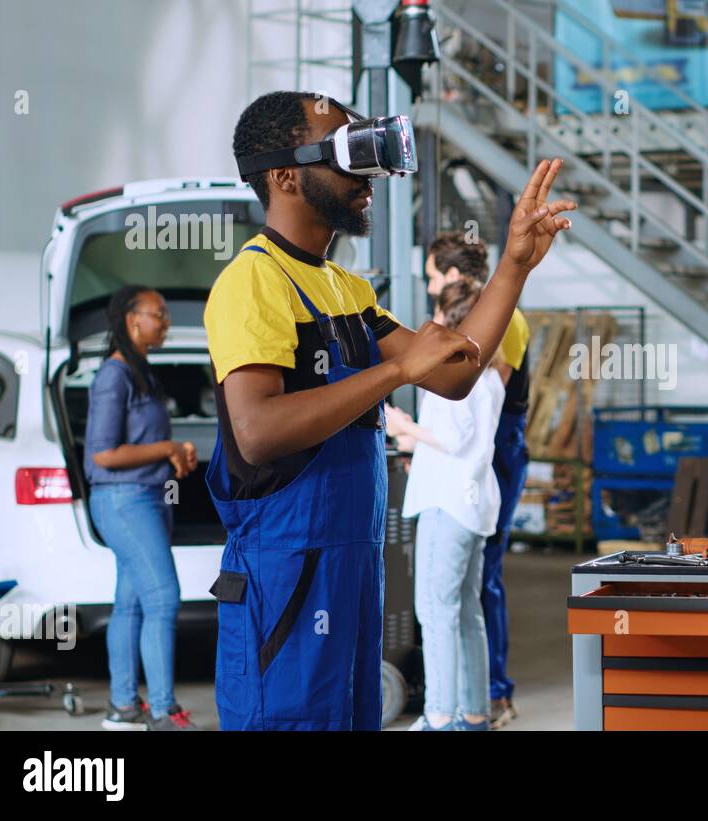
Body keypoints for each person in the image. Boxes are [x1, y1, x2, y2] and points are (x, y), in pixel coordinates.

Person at [203, 90, 573, 730]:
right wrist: (396, 370)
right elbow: (258, 431)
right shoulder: (252, 281)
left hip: (351, 568)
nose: (367, 175)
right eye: (348, 155)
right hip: (285, 577)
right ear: (284, 174)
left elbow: (455, 375)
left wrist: (513, 266)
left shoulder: (346, 287)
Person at [423, 232, 530, 728]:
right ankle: (476, 704)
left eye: (433, 278)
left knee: (475, 583)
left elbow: (473, 400)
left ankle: (480, 698)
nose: (429, 289)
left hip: (494, 450)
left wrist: (420, 433)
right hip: (484, 454)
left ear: (455, 279)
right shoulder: (489, 314)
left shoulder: (498, 320)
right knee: (470, 591)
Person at [85, 285, 199, 731]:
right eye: (160, 315)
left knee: (130, 604)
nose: (166, 322)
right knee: (163, 598)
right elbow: (103, 454)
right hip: (123, 500)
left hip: (144, 498)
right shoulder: (114, 376)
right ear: (133, 320)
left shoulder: (140, 370)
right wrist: (168, 446)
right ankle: (163, 712)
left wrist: (172, 453)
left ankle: (124, 709)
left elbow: (140, 442)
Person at [393, 279, 504, 730]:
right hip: (473, 503)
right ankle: (475, 714)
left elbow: (454, 438)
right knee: (466, 611)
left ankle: (439, 716)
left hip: (448, 503)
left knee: (435, 612)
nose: (432, 321)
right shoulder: (491, 373)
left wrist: (405, 428)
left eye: (438, 311)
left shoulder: (458, 373)